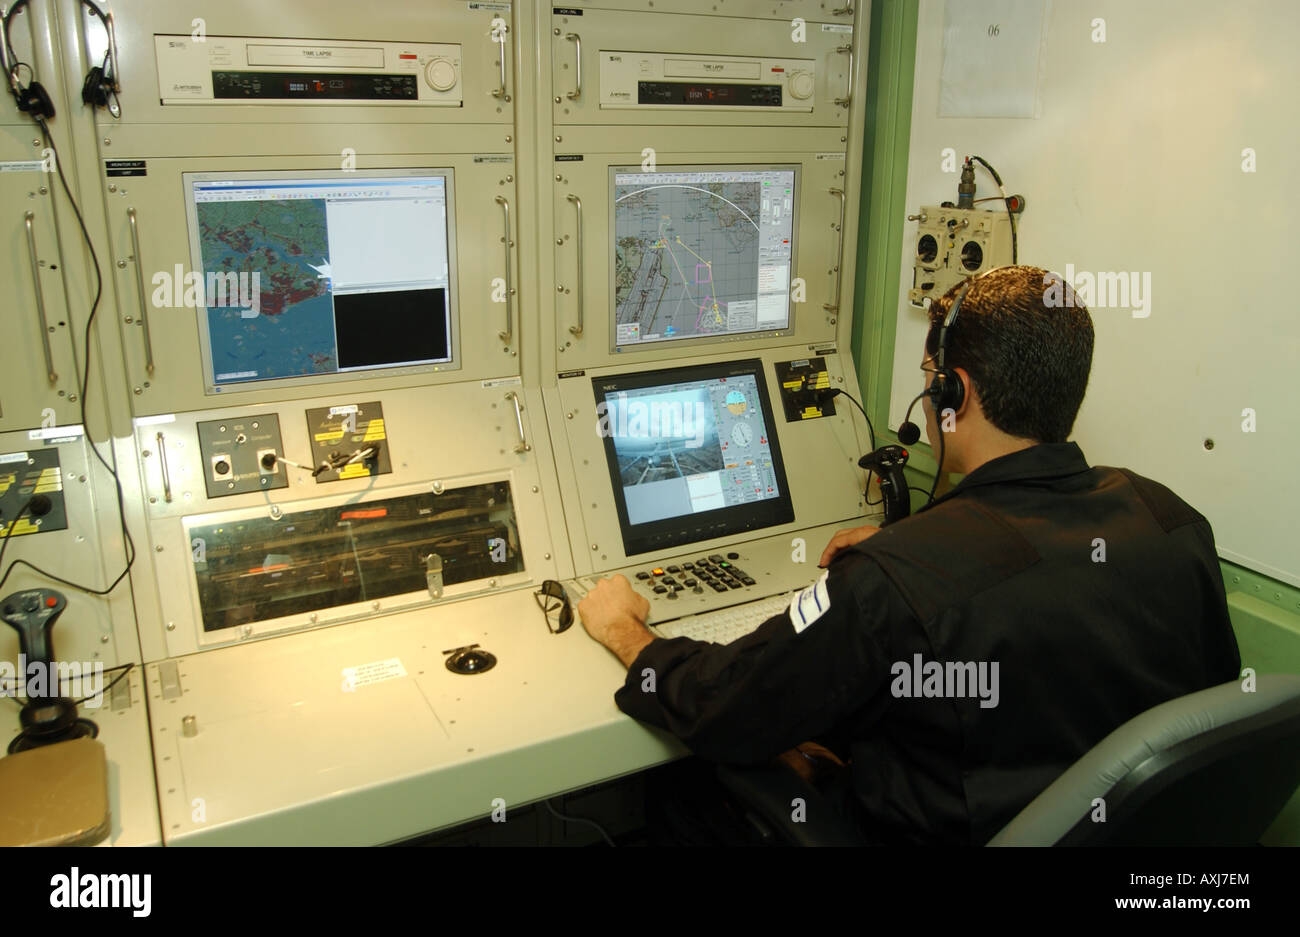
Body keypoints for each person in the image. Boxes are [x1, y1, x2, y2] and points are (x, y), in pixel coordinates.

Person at [578, 265, 1241, 845]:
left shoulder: (892, 584)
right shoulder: (1171, 522)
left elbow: (721, 706)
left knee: (685, 793)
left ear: (954, 393)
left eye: (930, 379)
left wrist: (629, 634)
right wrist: (909, 553)